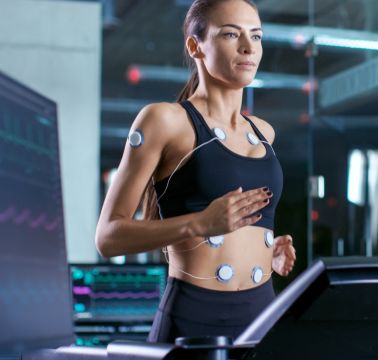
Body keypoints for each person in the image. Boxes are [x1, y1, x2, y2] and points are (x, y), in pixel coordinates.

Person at [95, 0, 296, 342]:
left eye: (257, 36)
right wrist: (199, 224)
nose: (248, 47)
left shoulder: (265, 132)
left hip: (263, 314)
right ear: (195, 45)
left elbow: (238, 229)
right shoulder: (164, 120)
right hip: (194, 318)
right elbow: (108, 238)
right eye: (231, 34)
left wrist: (265, 248)